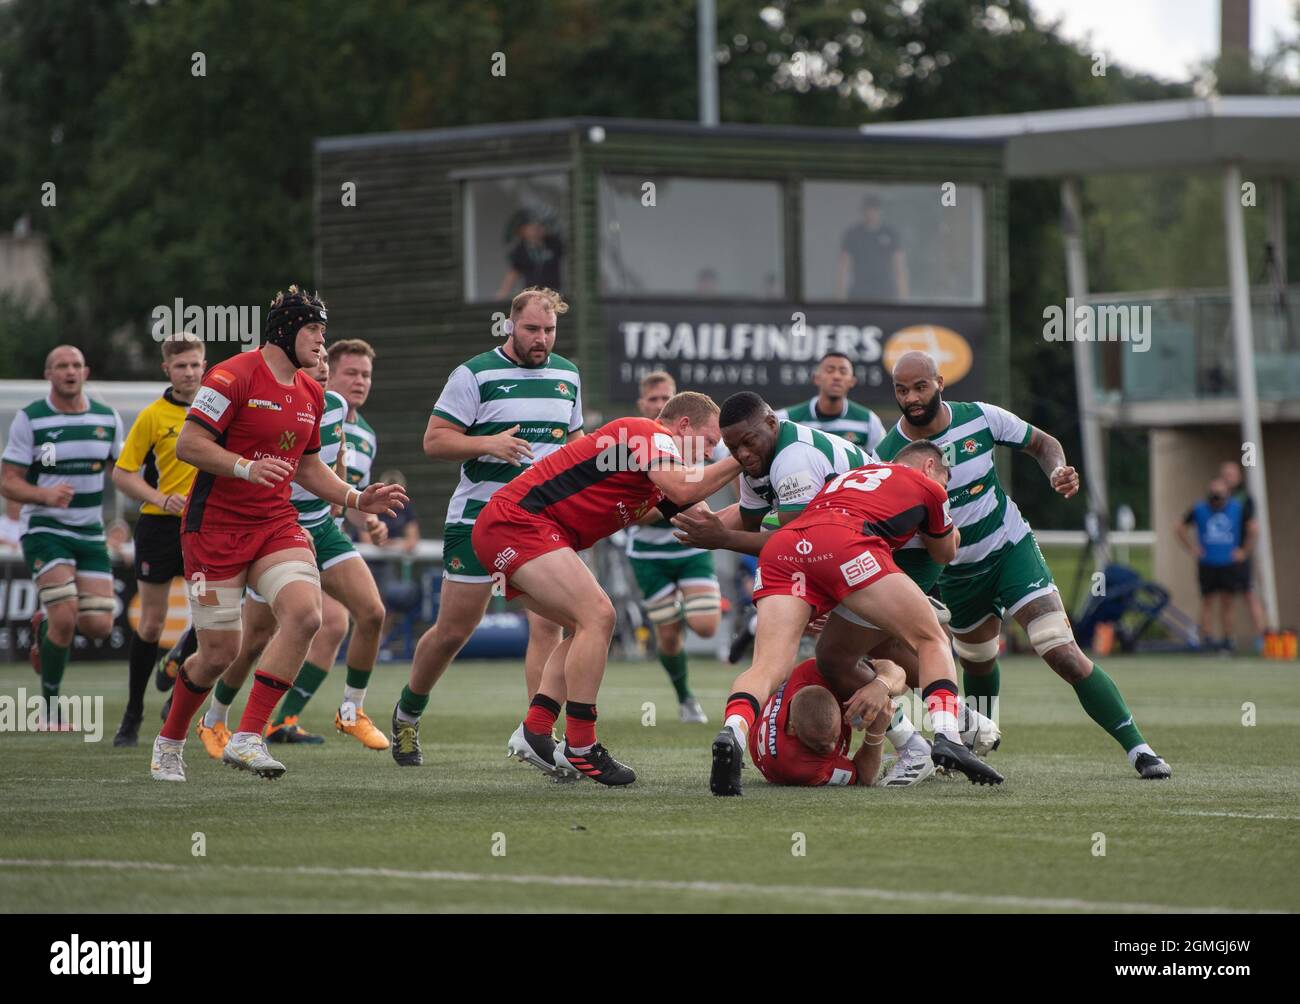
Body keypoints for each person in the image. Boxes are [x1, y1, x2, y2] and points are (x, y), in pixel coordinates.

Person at [868, 350, 1170, 779]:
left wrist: (1057, 470)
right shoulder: (886, 454)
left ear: (940, 383)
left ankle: (1138, 748)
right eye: (902, 389)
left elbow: (1043, 443)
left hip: (1010, 549)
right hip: (955, 573)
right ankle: (972, 746)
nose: (912, 397)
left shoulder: (980, 418)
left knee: (1058, 649)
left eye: (920, 386)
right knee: (978, 661)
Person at [148, 285, 406, 783]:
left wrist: (356, 499)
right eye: (314, 329)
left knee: (308, 616)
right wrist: (244, 467)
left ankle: (248, 736)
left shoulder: (311, 393)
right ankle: (169, 742)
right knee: (220, 651)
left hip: (275, 524)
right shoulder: (231, 375)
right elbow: (189, 444)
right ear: (286, 331)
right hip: (215, 528)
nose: (321, 341)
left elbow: (308, 468)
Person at [670, 391, 951, 788]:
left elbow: (798, 538)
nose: (742, 455)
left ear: (771, 423)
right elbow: (764, 527)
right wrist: (710, 526)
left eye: (747, 443)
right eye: (732, 448)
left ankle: (947, 733)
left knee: (837, 659)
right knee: (851, 658)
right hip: (837, 551)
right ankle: (946, 733)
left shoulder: (795, 459)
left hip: (873, 550)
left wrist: (719, 537)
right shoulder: (764, 459)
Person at [700, 440, 1006, 796]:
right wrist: (949, 527)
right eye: (945, 475)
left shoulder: (848, 476)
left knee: (769, 668)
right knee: (931, 639)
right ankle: (948, 736)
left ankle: (734, 730)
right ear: (928, 467)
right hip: (845, 545)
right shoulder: (928, 486)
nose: (946, 484)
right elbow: (943, 550)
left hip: (784, 546)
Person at [483, 392, 741, 785]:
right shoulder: (648, 432)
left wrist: (775, 508)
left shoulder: (658, 475)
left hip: (517, 527)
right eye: (708, 441)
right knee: (599, 615)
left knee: (585, 625)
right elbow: (687, 490)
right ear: (683, 426)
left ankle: (536, 730)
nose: (709, 453)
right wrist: (743, 457)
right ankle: (581, 745)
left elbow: (709, 519)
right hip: (519, 523)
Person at [391, 287, 578, 767]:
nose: (541, 339)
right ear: (510, 325)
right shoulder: (474, 374)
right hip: (477, 520)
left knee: (550, 623)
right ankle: (408, 715)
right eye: (532, 329)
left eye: (549, 330)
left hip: (540, 523)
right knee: (454, 631)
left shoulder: (568, 376)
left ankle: (540, 735)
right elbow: (434, 441)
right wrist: (488, 444)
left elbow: (576, 448)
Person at [187, 346, 391, 757]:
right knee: (255, 637)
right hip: (278, 525)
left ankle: (351, 709)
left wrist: (360, 510)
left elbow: (334, 473)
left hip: (323, 527)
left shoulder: (333, 408)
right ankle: (215, 718)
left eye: (361, 373)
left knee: (371, 612)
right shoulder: (267, 399)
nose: (327, 372)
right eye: (323, 363)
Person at [1, 345, 123, 729]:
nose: (69, 371)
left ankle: (43, 626)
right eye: (61, 366)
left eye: (75, 365)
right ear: (48, 375)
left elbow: (121, 472)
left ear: (85, 372)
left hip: (89, 531)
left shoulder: (107, 418)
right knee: (66, 617)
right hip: (45, 529)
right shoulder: (31, 419)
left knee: (100, 626)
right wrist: (43, 496)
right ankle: (50, 710)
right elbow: (8, 482)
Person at [110, 332, 205, 746]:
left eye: (195, 364)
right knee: (151, 621)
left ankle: (179, 670)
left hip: (204, 524)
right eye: (180, 366)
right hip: (158, 527)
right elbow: (122, 473)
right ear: (166, 369)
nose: (189, 372)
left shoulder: (218, 413)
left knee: (213, 615)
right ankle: (132, 714)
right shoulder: (152, 416)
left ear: (205, 366)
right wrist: (160, 498)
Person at [625, 371, 718, 723]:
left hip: (689, 548)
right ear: (642, 404)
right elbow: (637, 513)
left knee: (706, 626)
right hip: (648, 555)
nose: (660, 402)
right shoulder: (635, 440)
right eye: (653, 398)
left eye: (667, 396)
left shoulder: (696, 439)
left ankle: (682, 606)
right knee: (667, 635)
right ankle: (686, 699)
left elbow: (719, 476)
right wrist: (678, 500)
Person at [750, 657, 907, 788]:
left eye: (835, 738)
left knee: (873, 681)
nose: (832, 748)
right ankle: (914, 745)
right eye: (821, 746)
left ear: (841, 710)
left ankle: (914, 743)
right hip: (786, 763)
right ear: (793, 729)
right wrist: (876, 733)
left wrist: (882, 685)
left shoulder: (811, 671)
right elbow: (864, 778)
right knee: (872, 688)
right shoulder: (804, 768)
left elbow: (894, 671)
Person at [1177, 475, 1259, 653]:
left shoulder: (1237, 508)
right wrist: (1192, 548)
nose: (1216, 500)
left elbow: (1253, 528)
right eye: (1213, 496)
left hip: (1228, 563)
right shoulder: (1199, 509)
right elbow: (1179, 527)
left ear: (1227, 494)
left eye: (1219, 496)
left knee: (1227, 602)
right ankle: (1207, 639)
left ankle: (1228, 640)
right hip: (1208, 563)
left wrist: (1243, 551)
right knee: (1207, 601)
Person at [776, 351, 886, 452]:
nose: (836, 376)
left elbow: (882, 463)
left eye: (843, 372)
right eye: (830, 370)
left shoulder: (869, 421)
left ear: (852, 381)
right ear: (816, 378)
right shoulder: (785, 420)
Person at [1217, 460, 1266, 649]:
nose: (1227, 479)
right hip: (1222, 559)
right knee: (1226, 599)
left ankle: (1261, 639)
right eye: (1225, 475)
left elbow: (1253, 528)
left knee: (1249, 594)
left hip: (1238, 557)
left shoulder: (1244, 498)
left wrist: (1244, 551)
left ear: (1238, 476)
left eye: (1231, 475)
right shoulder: (1218, 497)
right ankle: (1228, 641)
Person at [836, 194, 908, 301]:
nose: (872, 213)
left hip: (885, 293)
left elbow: (899, 267)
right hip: (860, 292)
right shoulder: (853, 234)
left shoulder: (890, 234)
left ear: (880, 211)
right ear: (864, 211)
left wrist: (903, 297)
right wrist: (840, 296)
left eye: (875, 210)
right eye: (869, 209)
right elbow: (843, 266)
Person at [494, 209, 563, 298]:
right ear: (522, 230)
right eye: (532, 227)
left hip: (554, 292)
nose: (536, 231)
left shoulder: (554, 244)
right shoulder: (520, 250)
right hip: (532, 295)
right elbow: (513, 273)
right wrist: (502, 293)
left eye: (539, 226)